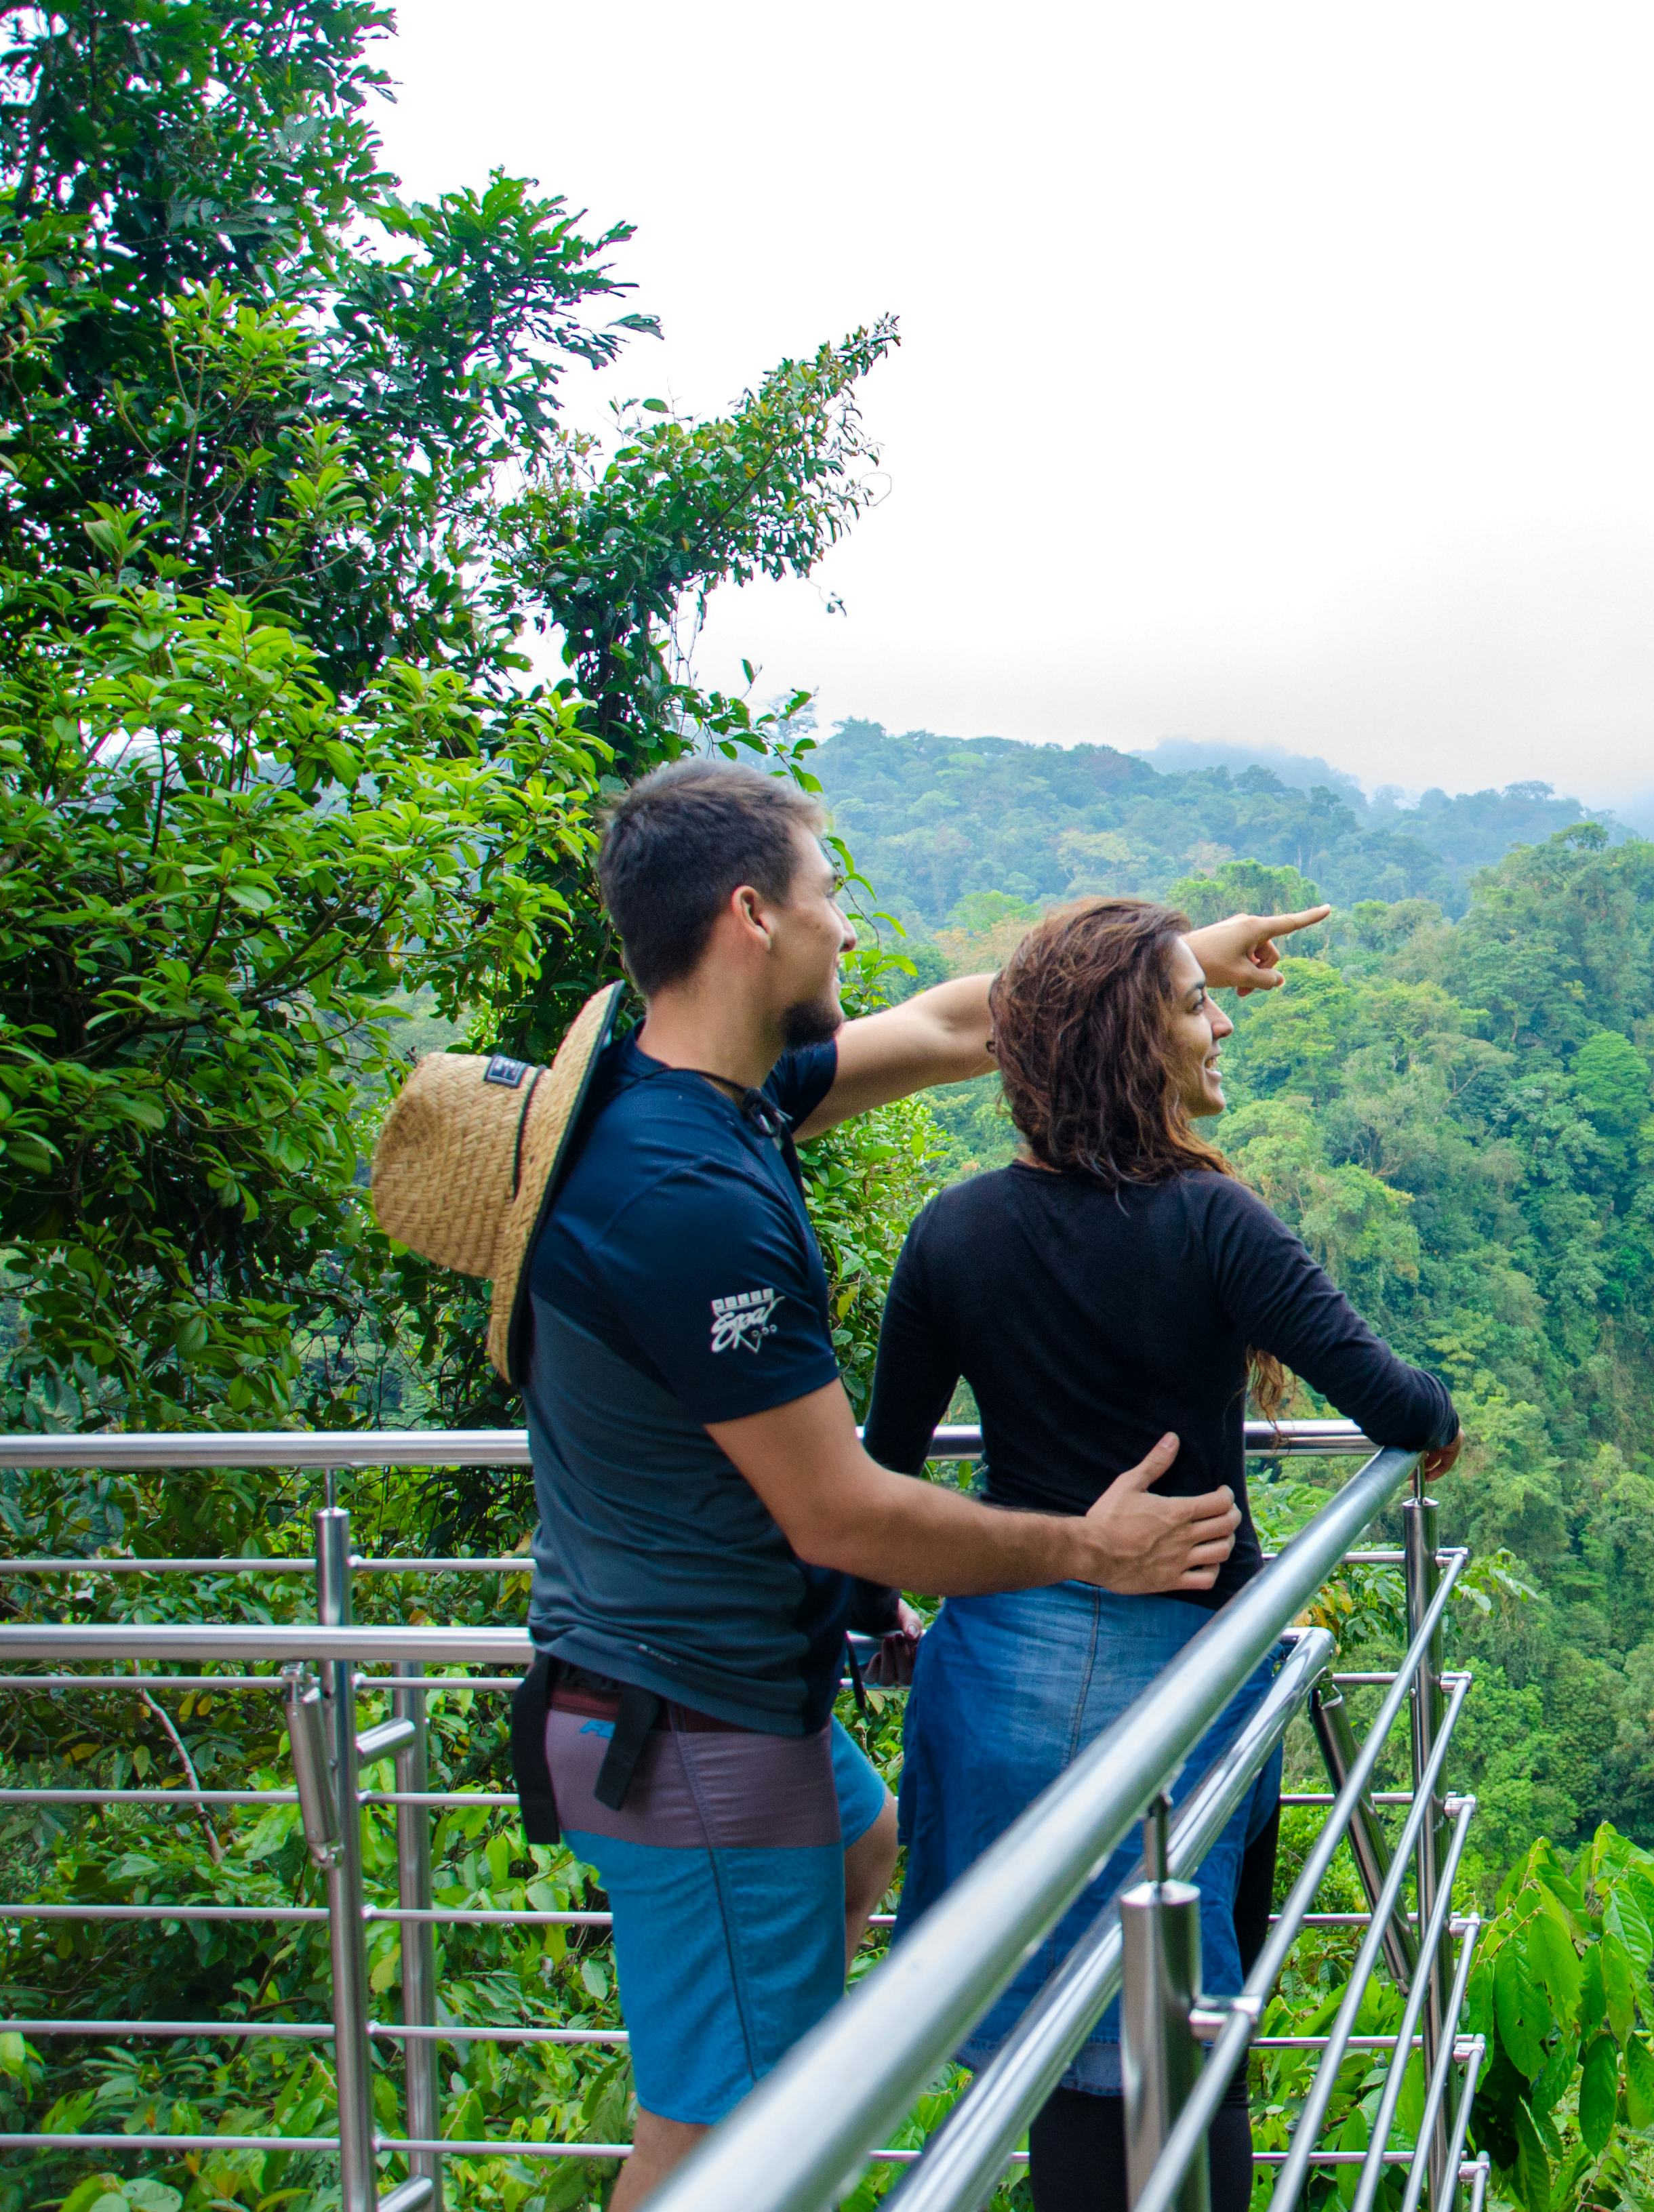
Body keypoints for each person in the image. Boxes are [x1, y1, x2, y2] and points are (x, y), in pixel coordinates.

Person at [488, 762, 1329, 2206]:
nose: (849, 934)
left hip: (731, 1691)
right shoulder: (684, 1203)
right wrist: (1090, 1547)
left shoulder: (721, 1102)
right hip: (687, 1719)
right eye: (828, 900)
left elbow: (958, 1022)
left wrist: (1173, 959)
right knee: (719, 2144)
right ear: (753, 916)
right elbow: (845, 1512)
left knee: (864, 1840)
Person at [863, 896, 1461, 2212]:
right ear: (1136, 1043)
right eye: (1194, 1002)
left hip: (997, 1686)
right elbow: (1392, 1401)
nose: (1220, 1019)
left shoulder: (952, 1233)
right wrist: (1445, 1421)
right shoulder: (1208, 1222)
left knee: (1051, 2064)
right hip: (1178, 1696)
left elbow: (877, 1478)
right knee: (1177, 2053)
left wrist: (881, 1622)